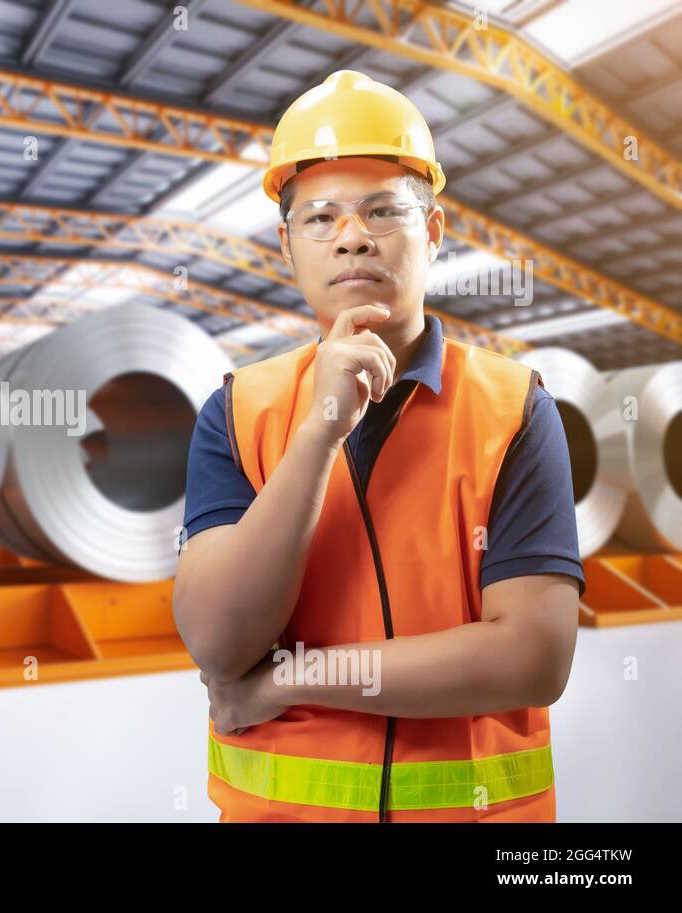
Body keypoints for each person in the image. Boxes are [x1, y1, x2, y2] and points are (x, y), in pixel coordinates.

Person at [173, 70, 583, 823]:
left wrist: (291, 678)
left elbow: (533, 655)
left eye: (384, 211)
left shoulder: (513, 410)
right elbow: (221, 642)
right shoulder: (238, 411)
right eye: (320, 218)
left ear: (432, 231)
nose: (353, 235)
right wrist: (318, 432)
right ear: (287, 246)